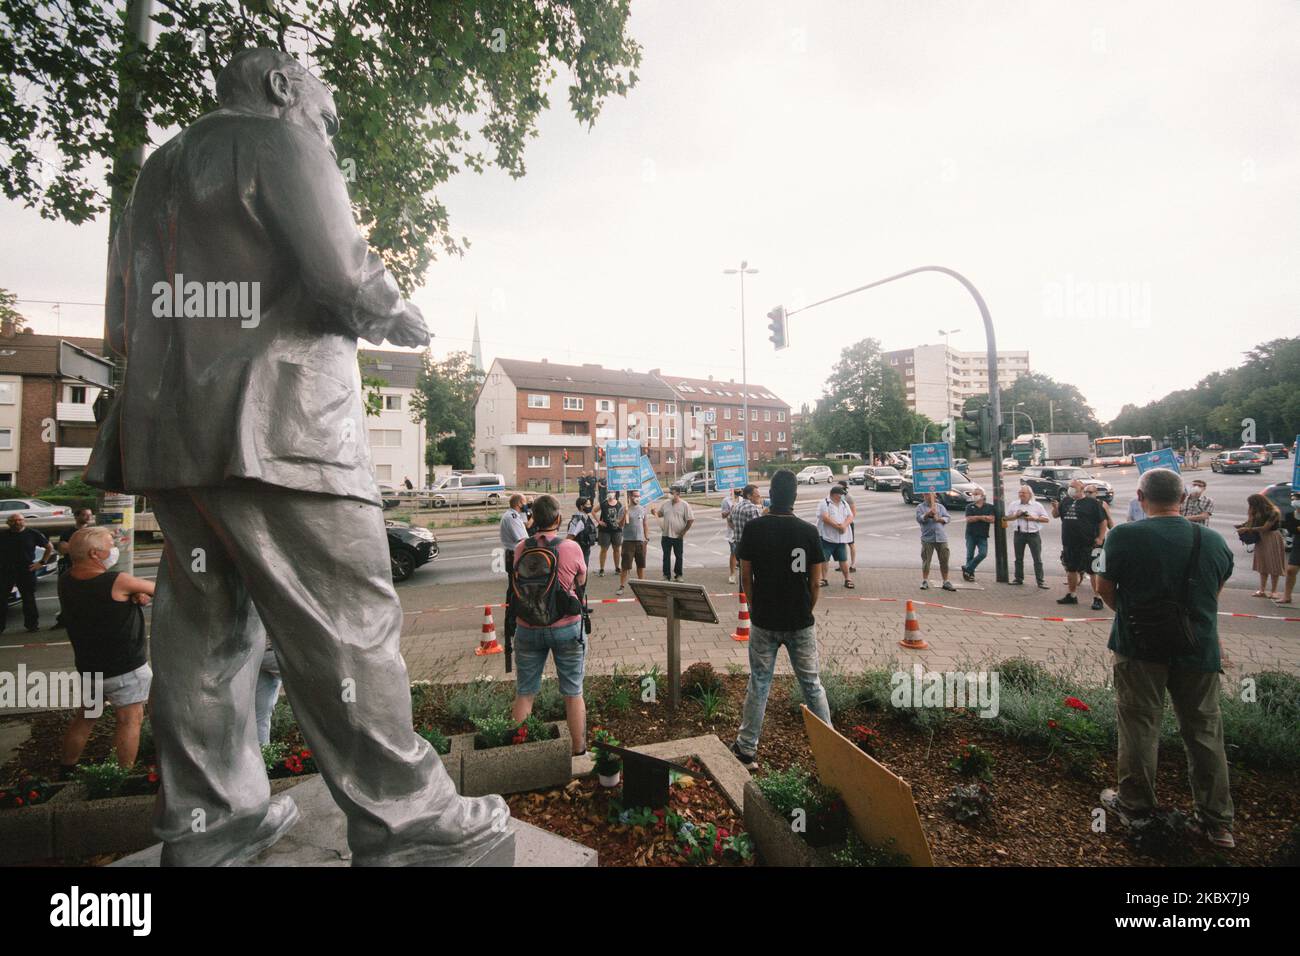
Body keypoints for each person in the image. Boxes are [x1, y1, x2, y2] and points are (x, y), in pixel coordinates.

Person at [82, 48, 507, 866]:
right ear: (283, 86)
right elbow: (341, 272)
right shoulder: (278, 141)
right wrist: (399, 313)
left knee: (205, 639)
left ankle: (211, 828)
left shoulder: (158, 172)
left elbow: (123, 321)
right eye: (326, 112)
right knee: (347, 621)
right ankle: (409, 822)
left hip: (171, 439)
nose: (328, 130)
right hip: (281, 427)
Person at [1096, 467, 1235, 850]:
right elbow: (1213, 593)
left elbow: (1103, 588)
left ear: (1141, 498)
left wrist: (1133, 614)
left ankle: (1137, 806)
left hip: (1138, 647)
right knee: (1205, 732)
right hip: (1199, 649)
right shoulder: (1213, 541)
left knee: (1139, 725)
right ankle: (1217, 823)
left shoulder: (1123, 535)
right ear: (1182, 497)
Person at [731, 469, 832, 768]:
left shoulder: (755, 529)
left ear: (771, 495)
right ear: (795, 496)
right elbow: (815, 583)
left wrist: (753, 606)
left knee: (759, 683)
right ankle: (830, 750)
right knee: (812, 684)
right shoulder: (808, 532)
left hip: (764, 620)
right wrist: (805, 609)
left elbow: (746, 576)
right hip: (799, 620)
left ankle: (747, 749)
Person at [56, 527, 156, 776]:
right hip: (125, 668)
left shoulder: (67, 580)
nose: (114, 548)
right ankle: (117, 777)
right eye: (110, 544)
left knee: (86, 717)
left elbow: (105, 604)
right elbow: (159, 588)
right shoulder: (116, 581)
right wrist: (139, 593)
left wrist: (135, 596)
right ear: (94, 553)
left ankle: (66, 769)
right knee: (129, 721)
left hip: (90, 668)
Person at [509, 495, 588, 756]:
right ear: (558, 519)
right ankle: (577, 751)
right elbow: (581, 579)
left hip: (527, 627)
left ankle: (518, 754)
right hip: (566, 627)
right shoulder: (570, 548)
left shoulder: (521, 548)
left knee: (525, 693)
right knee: (573, 692)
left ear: (534, 520)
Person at [1053, 478, 1108, 609]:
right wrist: (1055, 508)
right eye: (1070, 487)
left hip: (1089, 543)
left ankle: (1097, 597)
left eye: (1073, 487)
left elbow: (1103, 521)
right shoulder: (1066, 501)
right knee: (1071, 569)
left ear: (1081, 490)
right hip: (1069, 542)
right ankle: (1071, 595)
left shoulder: (1092, 503)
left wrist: (1100, 538)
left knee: (1093, 571)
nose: (1070, 489)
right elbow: (1056, 515)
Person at [0, 513, 54, 633]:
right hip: (6, 571)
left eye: (19, 520)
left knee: (28, 598)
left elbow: (49, 547)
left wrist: (42, 562)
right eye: (13, 521)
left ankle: (32, 625)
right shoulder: (3, 535)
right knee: (2, 599)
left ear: (24, 521)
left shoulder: (32, 533)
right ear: (8, 523)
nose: (17, 522)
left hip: (26, 569)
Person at [53, 507, 96, 629]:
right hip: (70, 566)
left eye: (90, 515)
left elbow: (97, 550)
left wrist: (72, 547)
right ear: (76, 517)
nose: (88, 517)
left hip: (88, 568)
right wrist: (84, 548)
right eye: (85, 515)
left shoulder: (92, 532)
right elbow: (62, 549)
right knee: (68, 594)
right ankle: (66, 620)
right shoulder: (67, 532)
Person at [1236, 493, 1285, 599]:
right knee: (1262, 564)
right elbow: (1251, 523)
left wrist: (1247, 529)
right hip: (1261, 538)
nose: (1251, 506)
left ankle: (1274, 591)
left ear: (1258, 503)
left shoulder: (1273, 512)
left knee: (1273, 564)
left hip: (1272, 537)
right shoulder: (1256, 512)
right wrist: (1245, 524)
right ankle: (1262, 590)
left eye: (1252, 504)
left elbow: (1265, 528)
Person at [499, 494, 529, 640]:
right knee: (515, 591)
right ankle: (511, 626)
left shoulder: (511, 515)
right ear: (518, 503)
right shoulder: (512, 517)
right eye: (524, 502)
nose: (526, 504)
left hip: (512, 555)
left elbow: (526, 524)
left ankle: (511, 624)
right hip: (515, 556)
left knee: (514, 589)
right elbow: (523, 539)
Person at [1009, 485, 1050, 587]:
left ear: (1030, 494)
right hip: (1019, 533)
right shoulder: (1014, 505)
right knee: (1018, 558)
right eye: (1020, 493)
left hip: (1033, 534)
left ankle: (1040, 581)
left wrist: (1033, 518)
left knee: (1037, 559)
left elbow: (1046, 519)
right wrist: (1016, 516)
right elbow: (1006, 518)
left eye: (1024, 493)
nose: (1021, 495)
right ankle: (1018, 578)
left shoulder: (1037, 505)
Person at [816, 484, 854, 588]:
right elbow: (825, 518)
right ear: (834, 495)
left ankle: (847, 579)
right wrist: (838, 527)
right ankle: (823, 579)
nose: (842, 496)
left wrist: (844, 525)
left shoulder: (844, 503)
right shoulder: (824, 503)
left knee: (843, 559)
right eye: (841, 495)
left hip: (841, 538)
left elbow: (850, 516)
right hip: (826, 537)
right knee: (824, 559)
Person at [652, 488, 694, 580]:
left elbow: (690, 520)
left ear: (678, 494)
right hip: (666, 535)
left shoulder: (684, 505)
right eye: (669, 493)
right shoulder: (666, 504)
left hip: (678, 536)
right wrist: (654, 512)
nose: (670, 494)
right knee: (666, 556)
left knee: (678, 556)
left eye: (672, 493)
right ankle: (666, 575)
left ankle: (678, 575)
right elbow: (659, 514)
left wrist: (683, 532)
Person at [915, 492, 954, 591]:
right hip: (927, 538)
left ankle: (945, 581)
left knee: (944, 560)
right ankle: (925, 580)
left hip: (941, 537)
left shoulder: (940, 507)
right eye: (930, 494)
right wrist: (928, 514)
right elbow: (920, 519)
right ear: (925, 496)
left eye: (935, 494)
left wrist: (941, 519)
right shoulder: (920, 507)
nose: (935, 496)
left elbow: (948, 517)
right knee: (926, 560)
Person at [617, 488, 649, 596]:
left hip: (640, 541)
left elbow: (645, 524)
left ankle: (642, 585)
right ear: (630, 497)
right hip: (628, 542)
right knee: (625, 566)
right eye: (635, 496)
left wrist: (646, 537)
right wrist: (624, 515)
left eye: (639, 496)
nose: (637, 498)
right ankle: (621, 586)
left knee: (640, 565)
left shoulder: (642, 509)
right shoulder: (623, 509)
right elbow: (619, 525)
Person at [960, 486, 995, 582]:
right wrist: (983, 517)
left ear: (983, 496)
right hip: (971, 534)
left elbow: (992, 519)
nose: (974, 496)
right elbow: (969, 519)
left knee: (983, 553)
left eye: (976, 494)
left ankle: (967, 568)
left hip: (983, 535)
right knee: (969, 555)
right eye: (973, 494)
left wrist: (977, 517)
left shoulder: (989, 507)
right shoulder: (969, 506)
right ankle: (970, 574)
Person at [1275, 493, 1300, 607]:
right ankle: (1287, 596)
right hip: (1298, 544)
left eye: (1297, 499)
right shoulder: (1291, 515)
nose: (1295, 501)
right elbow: (1291, 528)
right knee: (1291, 570)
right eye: (1294, 499)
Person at [565, 496, 598, 571]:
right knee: (580, 571)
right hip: (579, 549)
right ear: (581, 506)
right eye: (588, 505)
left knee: (584, 570)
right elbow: (570, 536)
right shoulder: (578, 519)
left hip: (586, 548)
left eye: (590, 504)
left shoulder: (586, 517)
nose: (590, 506)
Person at [596, 491, 624, 577]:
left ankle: (617, 567)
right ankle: (601, 569)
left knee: (616, 549)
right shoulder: (603, 503)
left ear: (615, 493)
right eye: (609, 492)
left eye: (612, 492)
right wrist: (599, 521)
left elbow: (623, 514)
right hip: (605, 531)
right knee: (604, 549)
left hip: (617, 530)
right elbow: (593, 511)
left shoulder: (619, 504)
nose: (610, 493)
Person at [721, 487, 741, 584]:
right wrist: (730, 510)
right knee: (733, 552)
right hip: (732, 532)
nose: (738, 491)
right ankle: (732, 574)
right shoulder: (726, 500)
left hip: (742, 530)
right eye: (736, 489)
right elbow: (723, 515)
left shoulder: (742, 500)